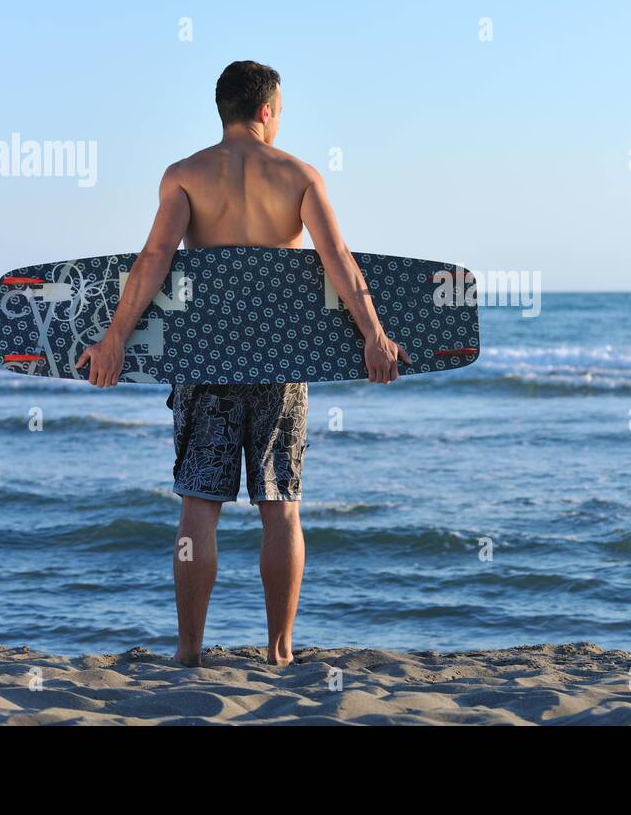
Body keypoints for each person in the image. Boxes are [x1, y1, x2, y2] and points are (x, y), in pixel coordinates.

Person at [76, 60, 409, 667]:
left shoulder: (184, 176)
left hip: (206, 361)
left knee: (198, 505)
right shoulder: (299, 176)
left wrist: (114, 339)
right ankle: (280, 651)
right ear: (265, 110)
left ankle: (188, 652)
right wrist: (375, 337)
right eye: (280, 110)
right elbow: (339, 261)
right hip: (279, 362)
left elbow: (154, 259)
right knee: (280, 506)